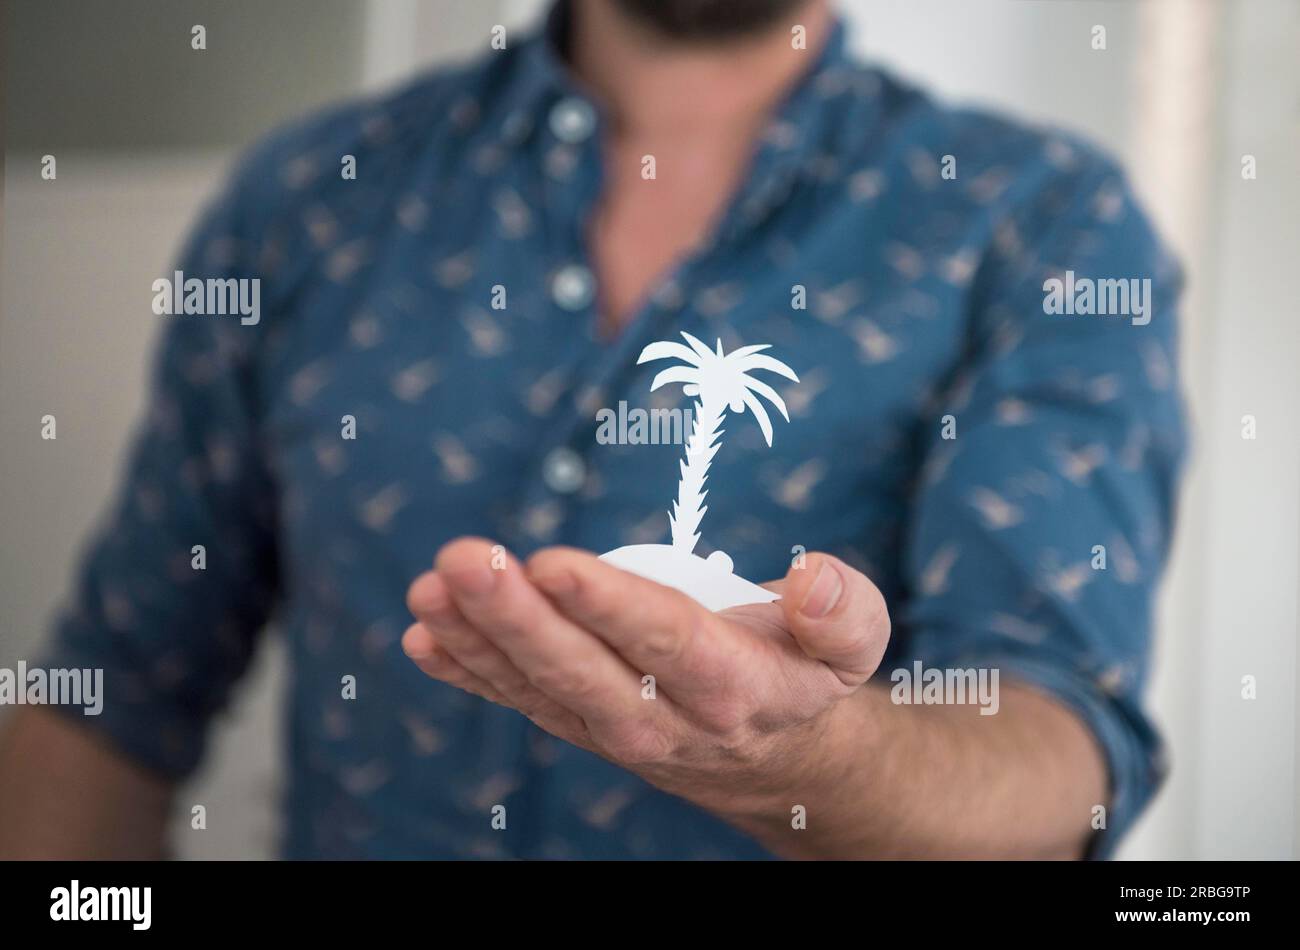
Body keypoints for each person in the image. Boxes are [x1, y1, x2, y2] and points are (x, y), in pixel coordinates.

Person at [0, 0, 1185, 859]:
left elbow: (1054, 753)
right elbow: (110, 696)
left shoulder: (1044, 223)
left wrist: (807, 758)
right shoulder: (312, 197)